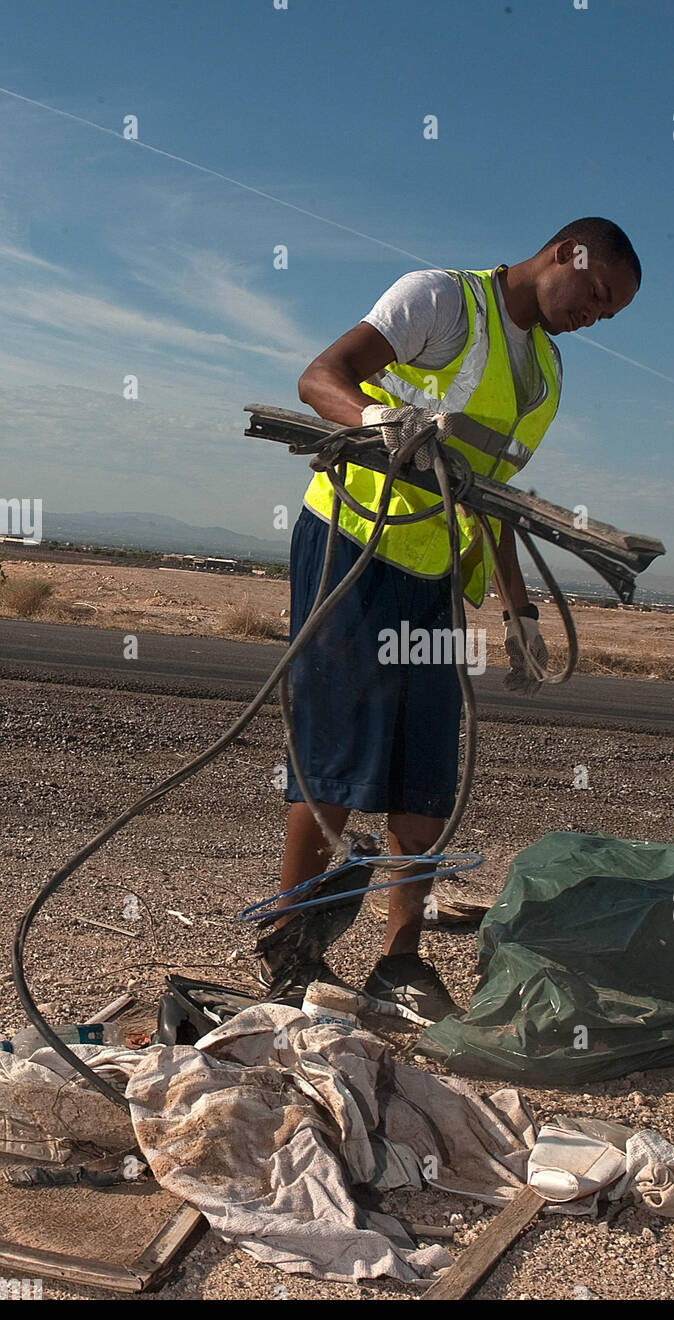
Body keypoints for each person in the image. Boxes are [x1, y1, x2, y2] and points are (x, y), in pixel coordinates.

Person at [267, 217, 641, 1024]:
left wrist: (521, 609)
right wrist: (375, 421)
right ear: (563, 256)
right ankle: (291, 943)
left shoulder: (544, 370)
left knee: (425, 766)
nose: (593, 316)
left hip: (435, 572)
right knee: (335, 748)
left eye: (609, 315)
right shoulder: (440, 299)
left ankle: (398, 963)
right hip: (353, 543)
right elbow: (320, 377)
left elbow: (492, 500)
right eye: (597, 293)